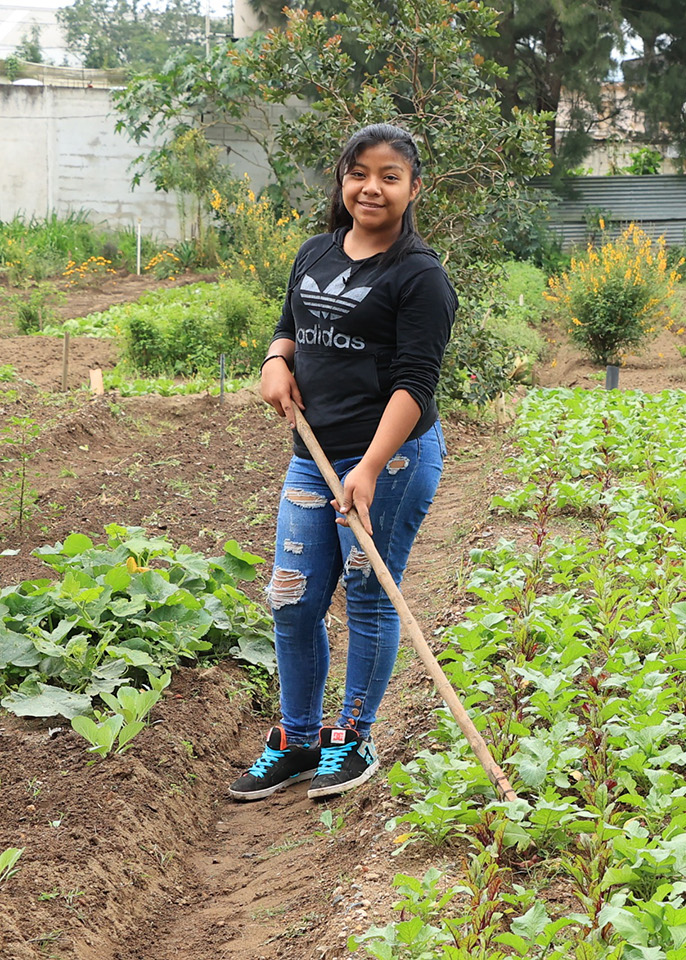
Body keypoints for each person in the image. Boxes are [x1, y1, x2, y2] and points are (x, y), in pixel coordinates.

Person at [228, 123, 457, 802]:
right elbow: (289, 327)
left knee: (367, 594)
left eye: (390, 176)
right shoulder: (315, 253)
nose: (371, 187)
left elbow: (416, 384)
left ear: (414, 189)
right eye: (359, 173)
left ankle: (352, 737)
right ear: (342, 180)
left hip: (391, 461)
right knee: (292, 599)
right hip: (313, 456)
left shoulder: (420, 276)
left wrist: (370, 466)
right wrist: (275, 361)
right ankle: (299, 740)